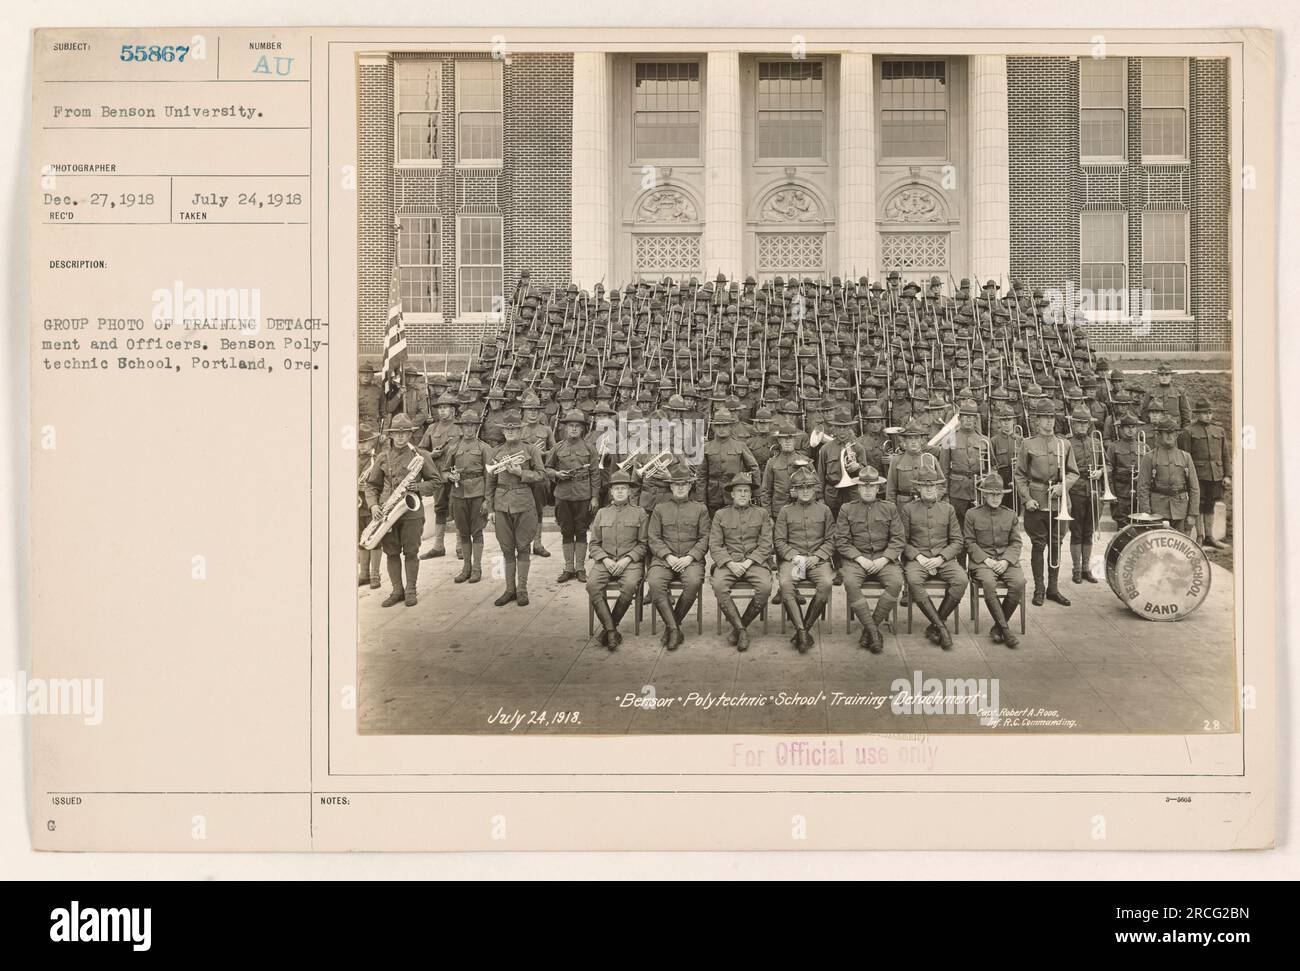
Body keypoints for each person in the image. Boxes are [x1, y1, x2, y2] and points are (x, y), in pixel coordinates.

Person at [363, 414, 442, 607]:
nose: (400, 436)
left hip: (411, 512)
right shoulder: (383, 456)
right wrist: (373, 505)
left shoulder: (420, 455)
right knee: (391, 553)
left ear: (410, 434)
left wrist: (418, 487)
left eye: (404, 432)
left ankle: (411, 591)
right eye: (396, 433)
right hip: (386, 513)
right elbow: (371, 485)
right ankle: (397, 591)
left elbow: (436, 481)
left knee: (411, 552)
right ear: (391, 435)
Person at [1014, 399, 1079, 607]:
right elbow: (1020, 475)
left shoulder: (1065, 444)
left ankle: (1053, 588)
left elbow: (1073, 473)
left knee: (1056, 545)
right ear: (1037, 420)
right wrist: (1027, 499)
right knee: (1038, 545)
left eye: (1052, 417)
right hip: (1036, 502)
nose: (1049, 422)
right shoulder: (1028, 444)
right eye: (1045, 417)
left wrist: (1063, 487)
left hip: (1059, 503)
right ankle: (1039, 589)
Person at [834, 466, 904, 653]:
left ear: (878, 488)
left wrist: (884, 559)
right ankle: (874, 632)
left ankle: (869, 629)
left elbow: (898, 540)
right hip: (857, 560)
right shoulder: (846, 509)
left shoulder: (889, 508)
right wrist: (859, 558)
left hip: (883, 559)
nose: (867, 489)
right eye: (864, 486)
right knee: (850, 582)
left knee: (896, 582)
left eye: (871, 486)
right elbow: (841, 541)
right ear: (858, 488)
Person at [900, 466, 967, 649]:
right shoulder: (908, 509)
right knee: (913, 580)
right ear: (918, 488)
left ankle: (936, 624)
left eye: (933, 486)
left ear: (938, 488)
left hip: (942, 559)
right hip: (918, 560)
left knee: (961, 580)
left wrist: (941, 559)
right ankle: (942, 628)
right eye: (924, 486)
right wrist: (919, 557)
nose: (929, 489)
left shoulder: (948, 509)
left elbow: (957, 541)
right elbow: (901, 541)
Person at [485, 411, 548, 607]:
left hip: (524, 502)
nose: (510, 432)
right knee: (506, 549)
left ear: (520, 431)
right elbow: (490, 482)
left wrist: (520, 472)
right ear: (503, 431)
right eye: (507, 429)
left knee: (523, 548)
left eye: (514, 429)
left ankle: (522, 589)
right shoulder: (496, 452)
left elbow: (541, 475)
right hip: (501, 504)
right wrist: (491, 509)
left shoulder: (531, 450)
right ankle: (509, 589)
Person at [645, 465, 711, 650]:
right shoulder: (660, 508)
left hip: (691, 560)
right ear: (671, 487)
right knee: (655, 583)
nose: (680, 487)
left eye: (684, 484)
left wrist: (690, 558)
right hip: (664, 560)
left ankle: (671, 627)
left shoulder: (700, 509)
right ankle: (674, 629)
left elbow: (705, 537)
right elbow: (653, 537)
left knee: (693, 582)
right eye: (676, 484)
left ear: (690, 486)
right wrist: (668, 557)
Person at [708, 472, 774, 652]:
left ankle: (740, 627)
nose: (743, 494)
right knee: (719, 585)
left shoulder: (761, 514)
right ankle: (742, 631)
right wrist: (730, 564)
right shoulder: (721, 515)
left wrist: (747, 563)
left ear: (751, 494)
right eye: (739, 491)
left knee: (766, 587)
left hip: (754, 564)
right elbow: (715, 544)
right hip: (729, 563)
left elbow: (766, 544)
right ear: (732, 494)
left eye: (746, 491)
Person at [774, 466, 837, 653]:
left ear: (815, 489)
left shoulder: (824, 510)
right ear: (794, 490)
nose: (805, 491)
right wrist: (795, 556)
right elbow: (779, 540)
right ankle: (802, 632)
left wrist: (818, 556)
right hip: (795, 561)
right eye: (801, 487)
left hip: (818, 561)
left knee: (825, 583)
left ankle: (804, 630)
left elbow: (831, 538)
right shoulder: (785, 512)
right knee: (785, 584)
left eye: (809, 487)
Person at [586, 470, 649, 649]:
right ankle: (612, 631)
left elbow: (643, 544)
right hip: (604, 562)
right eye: (616, 488)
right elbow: (594, 544)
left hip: (630, 563)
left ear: (629, 492)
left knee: (629, 586)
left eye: (624, 488)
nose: (620, 491)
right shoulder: (601, 514)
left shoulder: (640, 513)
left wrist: (626, 559)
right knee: (592, 586)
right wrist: (605, 560)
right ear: (611, 492)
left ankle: (608, 629)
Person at [964, 472, 1025, 649]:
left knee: (1018, 583)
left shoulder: (1010, 515)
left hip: (1007, 561)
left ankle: (998, 628)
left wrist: (1006, 561)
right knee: (989, 584)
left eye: (998, 494)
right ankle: (1006, 630)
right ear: (984, 494)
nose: (995, 498)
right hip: (982, 563)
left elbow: (1016, 542)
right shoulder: (972, 514)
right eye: (991, 494)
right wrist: (987, 561)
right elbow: (969, 542)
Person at [547, 409, 600, 583]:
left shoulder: (589, 448)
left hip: (583, 496)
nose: (574, 429)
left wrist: (594, 497)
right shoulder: (557, 447)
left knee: (581, 531)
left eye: (578, 426)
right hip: (563, 495)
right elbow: (546, 469)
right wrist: (556, 474)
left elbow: (595, 474)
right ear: (565, 428)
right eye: (571, 426)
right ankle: (568, 567)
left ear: (583, 429)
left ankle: (580, 568)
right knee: (566, 532)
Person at [445, 408, 494, 584]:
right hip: (459, 494)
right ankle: (466, 567)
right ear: (461, 428)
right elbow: (444, 472)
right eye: (465, 426)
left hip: (478, 494)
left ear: (476, 427)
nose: (468, 429)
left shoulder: (484, 448)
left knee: (477, 531)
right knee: (463, 532)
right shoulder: (454, 447)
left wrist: (488, 500)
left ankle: (477, 567)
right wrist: (450, 476)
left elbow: (490, 476)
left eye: (472, 426)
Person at [1178, 396, 1231, 549]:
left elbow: (1225, 455)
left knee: (1210, 505)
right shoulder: (1188, 431)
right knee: (1198, 505)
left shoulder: (1219, 430)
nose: (1208, 415)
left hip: (1216, 475)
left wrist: (1227, 475)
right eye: (1204, 413)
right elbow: (1185, 457)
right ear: (1197, 414)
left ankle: (1209, 536)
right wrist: (1187, 477)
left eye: (1209, 412)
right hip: (1197, 475)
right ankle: (1199, 536)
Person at [1138, 416, 1201, 536]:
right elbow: (1143, 487)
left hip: (1180, 510)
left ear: (1177, 435)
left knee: (1179, 549)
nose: (1170, 436)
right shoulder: (1150, 457)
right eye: (1166, 433)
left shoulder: (1185, 457)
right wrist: (1146, 512)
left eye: (1173, 433)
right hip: (1157, 511)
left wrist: (1192, 514)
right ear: (1159, 435)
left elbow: (1194, 487)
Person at [418, 391, 461, 560]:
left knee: (458, 508)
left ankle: (460, 546)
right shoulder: (432, 428)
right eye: (440, 408)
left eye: (446, 408)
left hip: (455, 473)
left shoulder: (460, 427)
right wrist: (432, 455)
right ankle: (438, 546)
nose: (442, 411)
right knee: (439, 508)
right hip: (437, 475)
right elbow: (420, 450)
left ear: (453, 410)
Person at [1065, 405, 1104, 584]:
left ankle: (1087, 568)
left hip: (1093, 490)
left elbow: (1107, 464)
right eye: (1079, 423)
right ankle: (1076, 569)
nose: (1082, 426)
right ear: (1073, 424)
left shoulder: (1096, 442)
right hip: (1076, 492)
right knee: (1077, 532)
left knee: (1089, 531)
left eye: (1085, 423)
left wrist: (1101, 472)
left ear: (1089, 424)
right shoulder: (1067, 443)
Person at [699, 407, 760, 515]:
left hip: (735, 497)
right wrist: (701, 501)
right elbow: (701, 477)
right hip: (713, 497)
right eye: (718, 425)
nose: (721, 429)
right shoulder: (706, 448)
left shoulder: (740, 446)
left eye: (725, 425)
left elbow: (754, 468)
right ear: (713, 427)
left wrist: (755, 494)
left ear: (731, 427)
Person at [519, 391, 556, 558]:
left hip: (540, 475)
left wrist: (544, 453)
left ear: (540, 412)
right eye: (529, 410)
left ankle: (538, 543)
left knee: (538, 509)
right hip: (523, 475)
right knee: (524, 509)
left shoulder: (547, 430)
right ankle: (524, 543)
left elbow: (554, 453)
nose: (532, 413)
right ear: (524, 411)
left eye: (535, 410)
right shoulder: (518, 429)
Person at [1106, 412, 1146, 532]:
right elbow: (1109, 472)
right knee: (1122, 527)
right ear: (1122, 429)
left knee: (1140, 526)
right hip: (1121, 492)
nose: (1130, 430)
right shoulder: (1113, 447)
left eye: (1133, 427)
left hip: (1139, 492)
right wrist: (1112, 493)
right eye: (1127, 427)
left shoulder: (1144, 447)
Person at [356, 422, 384, 589]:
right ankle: (364, 573)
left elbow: (382, 482)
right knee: (361, 539)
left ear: (372, 442)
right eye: (359, 442)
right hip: (358, 505)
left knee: (375, 538)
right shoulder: (353, 460)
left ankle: (375, 575)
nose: (362, 446)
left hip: (372, 504)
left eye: (365, 442)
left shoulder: (377, 459)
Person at [1139, 362, 1192, 427]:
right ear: (1158, 376)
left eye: (1167, 375)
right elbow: (1144, 412)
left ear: (1171, 376)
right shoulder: (1151, 392)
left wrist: (1185, 428)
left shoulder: (1179, 391)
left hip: (1174, 427)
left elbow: (1185, 412)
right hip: (1157, 427)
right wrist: (1149, 427)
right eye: (1161, 375)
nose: (1164, 377)